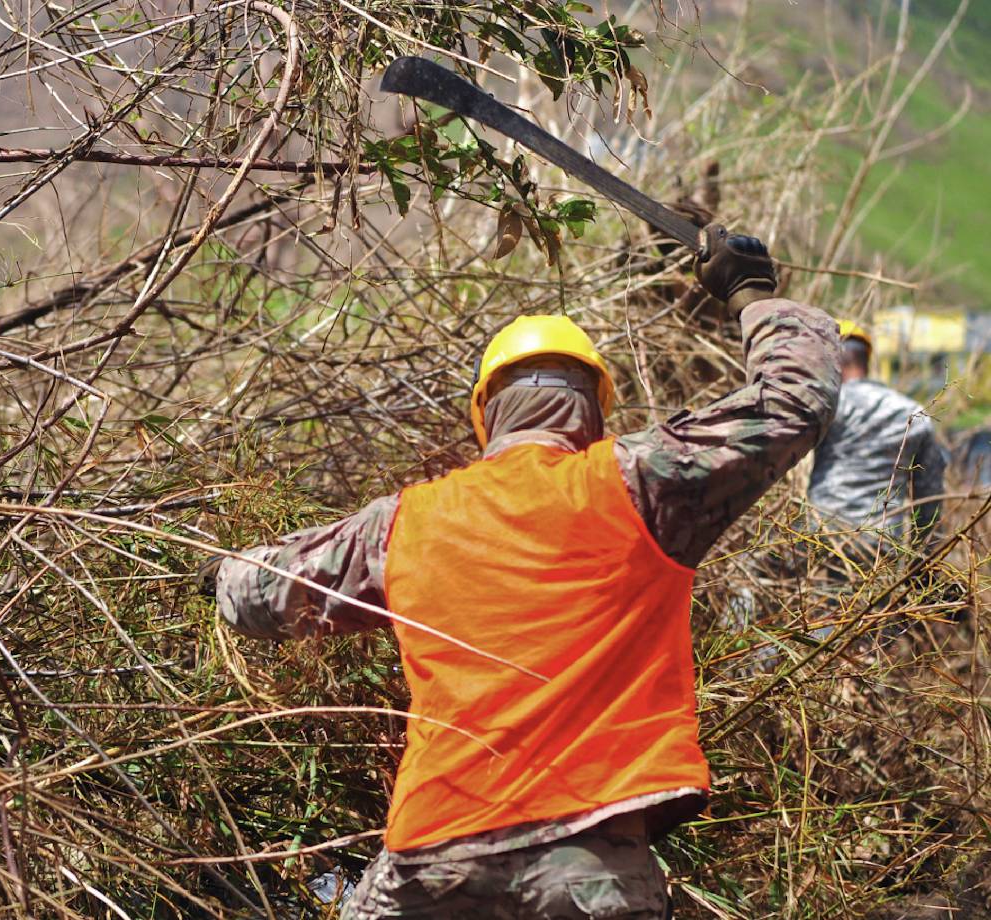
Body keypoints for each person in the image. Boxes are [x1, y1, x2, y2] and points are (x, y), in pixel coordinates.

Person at [201, 224, 840, 919]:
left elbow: (259, 592)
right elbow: (793, 400)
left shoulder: (403, 523)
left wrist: (214, 568)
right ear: (597, 409)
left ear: (485, 414)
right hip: (590, 866)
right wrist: (750, 291)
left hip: (433, 861)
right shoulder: (641, 484)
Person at [806, 321, 947, 564]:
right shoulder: (913, 414)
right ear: (866, 361)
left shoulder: (827, 406)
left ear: (833, 362)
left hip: (822, 537)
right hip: (879, 543)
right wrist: (921, 562)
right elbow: (929, 495)